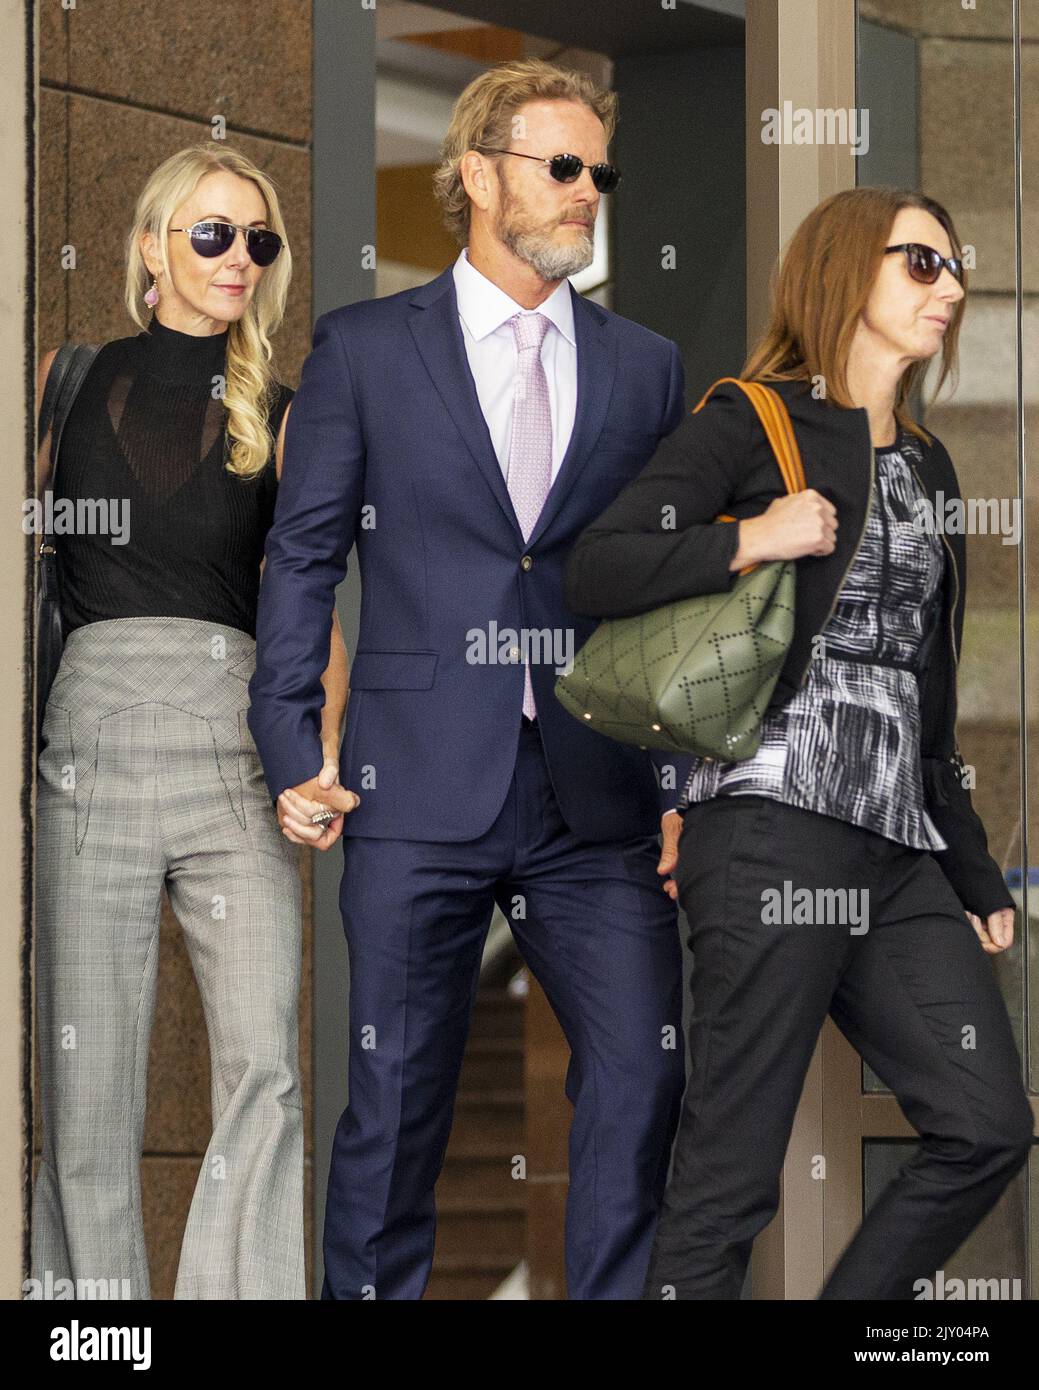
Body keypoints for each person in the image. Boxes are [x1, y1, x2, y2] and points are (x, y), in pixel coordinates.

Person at [248, 58, 692, 1300]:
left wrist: (677, 781)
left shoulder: (644, 365)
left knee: (642, 1073)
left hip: (592, 799)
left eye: (599, 171)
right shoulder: (365, 350)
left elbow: (663, 594)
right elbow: (300, 558)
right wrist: (296, 747)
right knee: (393, 1106)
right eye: (562, 167)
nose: (587, 192)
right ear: (478, 176)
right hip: (410, 785)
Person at [564, 187, 1034, 1300]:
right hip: (772, 831)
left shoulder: (927, 466)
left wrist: (967, 867)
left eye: (952, 265)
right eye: (920, 262)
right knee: (729, 1173)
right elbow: (598, 566)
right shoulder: (751, 420)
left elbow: (929, 690)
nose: (950, 287)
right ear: (843, 269)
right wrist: (750, 536)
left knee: (986, 1123)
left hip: (894, 844)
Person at [31, 144, 348, 1300]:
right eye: (213, 233)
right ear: (152, 245)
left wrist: (313, 759)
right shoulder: (67, 381)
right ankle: (93, 1330)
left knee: (265, 1065)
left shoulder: (283, 410)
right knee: (88, 1082)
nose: (238, 259)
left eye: (258, 241)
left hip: (233, 744)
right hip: (94, 744)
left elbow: (308, 604)